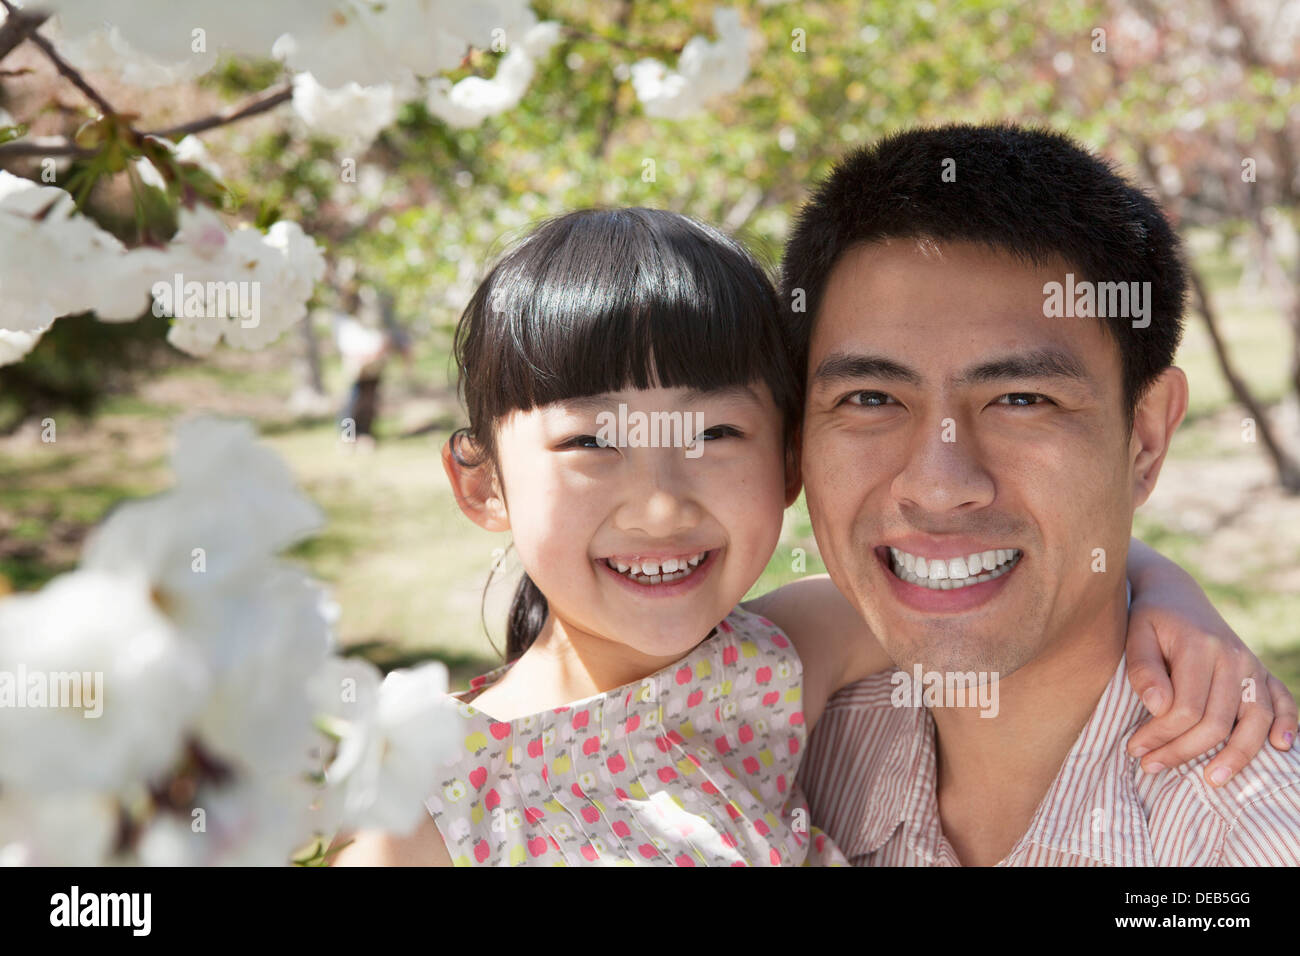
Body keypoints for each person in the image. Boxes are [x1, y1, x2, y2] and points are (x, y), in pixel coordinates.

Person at [331, 206, 1295, 866]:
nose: (660, 503)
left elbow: (1027, 572)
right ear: (481, 483)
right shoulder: (422, 805)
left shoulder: (780, 654)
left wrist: (1174, 602)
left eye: (716, 434)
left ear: (790, 460)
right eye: (591, 443)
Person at [785, 123, 1300, 865]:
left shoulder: (1245, 847)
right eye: (870, 398)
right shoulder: (762, 754)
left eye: (1022, 400)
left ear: (1146, 439)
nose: (938, 484)